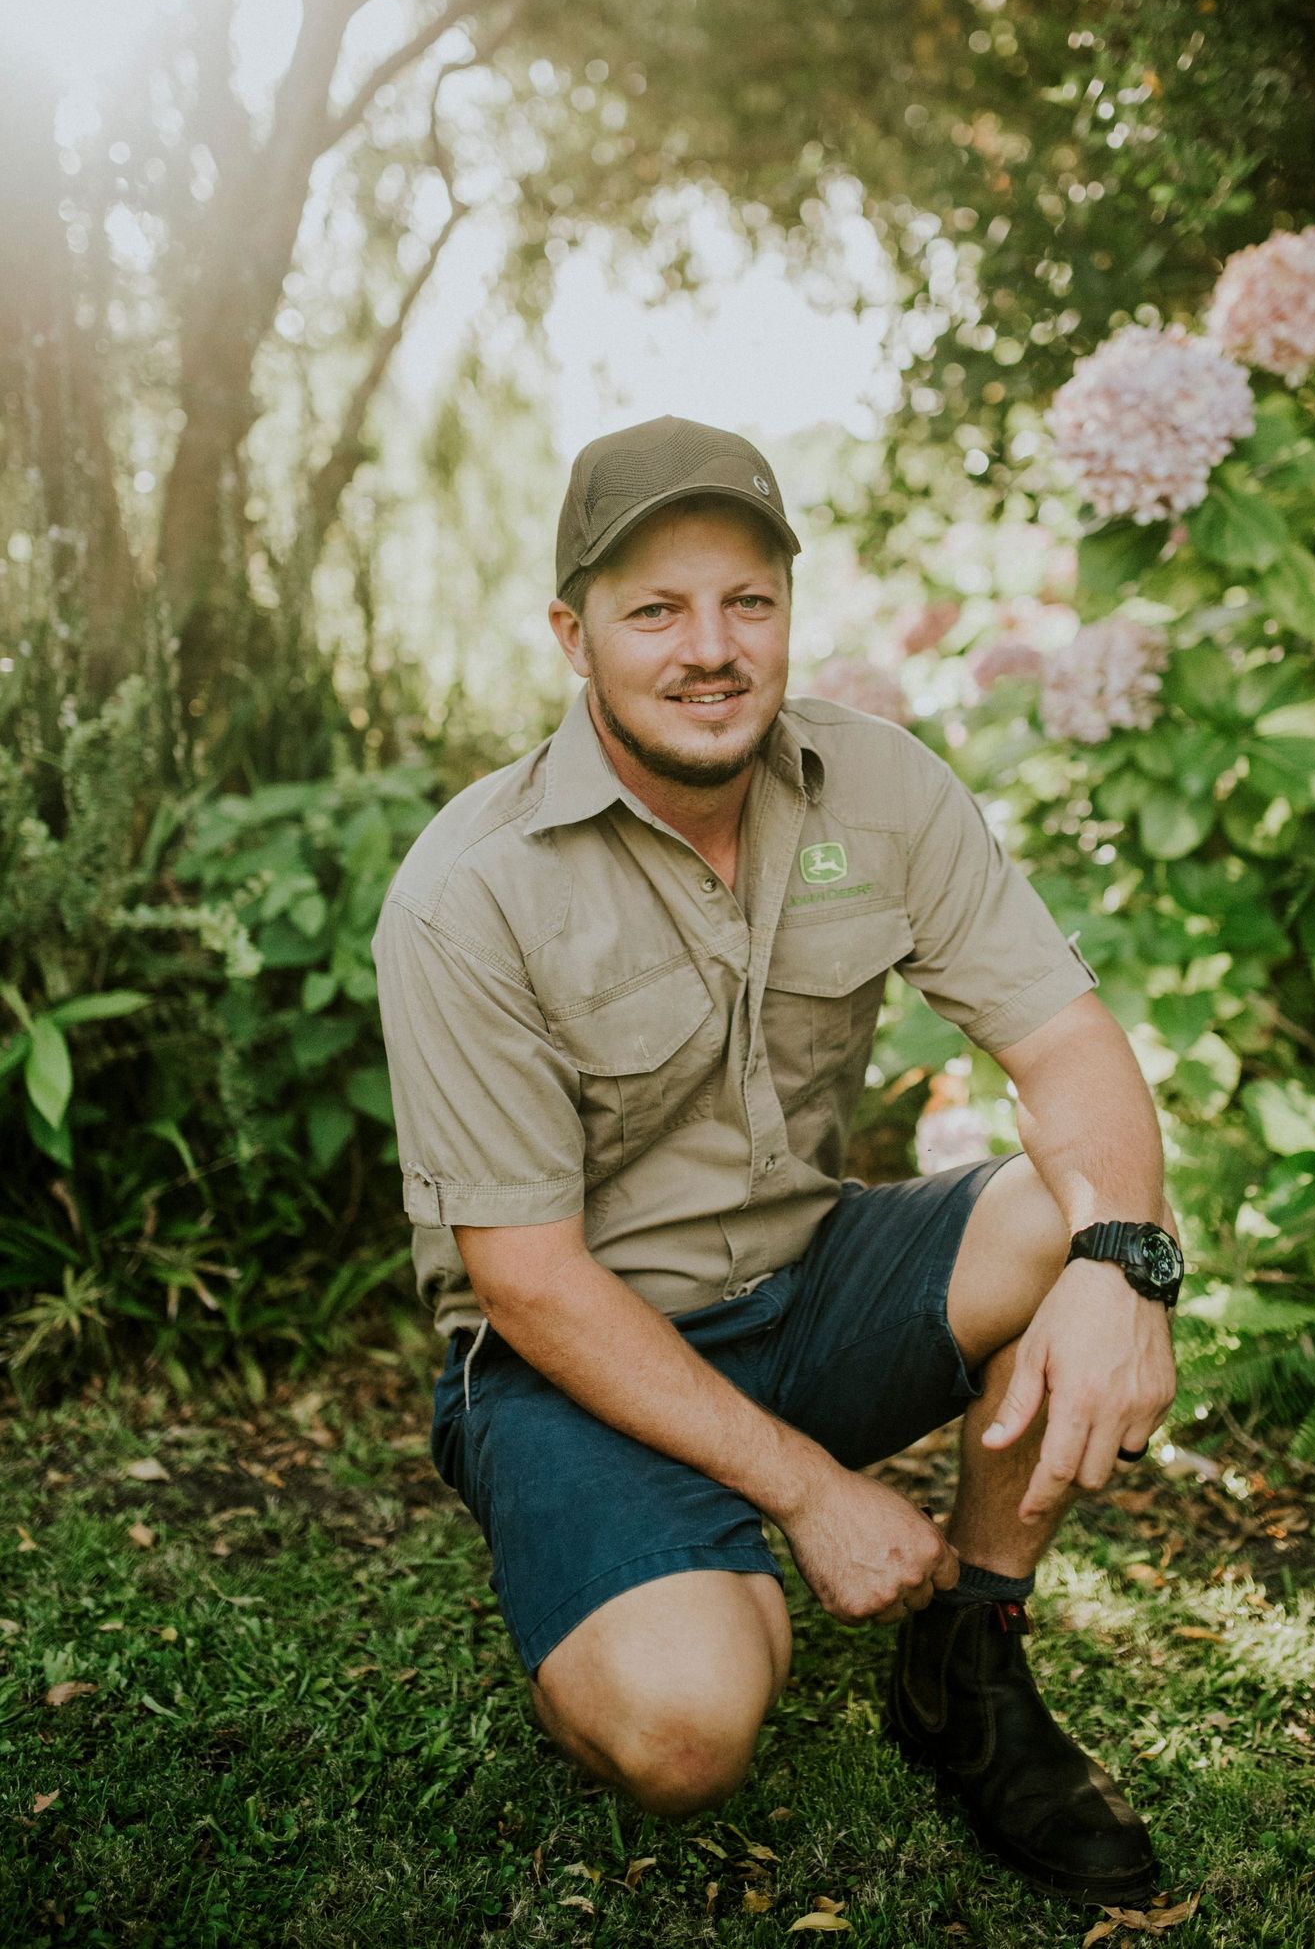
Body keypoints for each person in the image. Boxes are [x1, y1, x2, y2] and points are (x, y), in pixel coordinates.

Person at [371, 414, 1185, 1911]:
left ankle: (971, 1662)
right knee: (685, 1732)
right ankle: (655, 1566)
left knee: (1075, 1210)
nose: (711, 647)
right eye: (656, 610)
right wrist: (811, 1494)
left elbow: (1070, 1050)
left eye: (748, 601)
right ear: (573, 634)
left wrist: (1122, 1264)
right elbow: (528, 1281)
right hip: (572, 1362)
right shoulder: (468, 895)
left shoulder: (878, 791)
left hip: (807, 1292)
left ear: (790, 613)